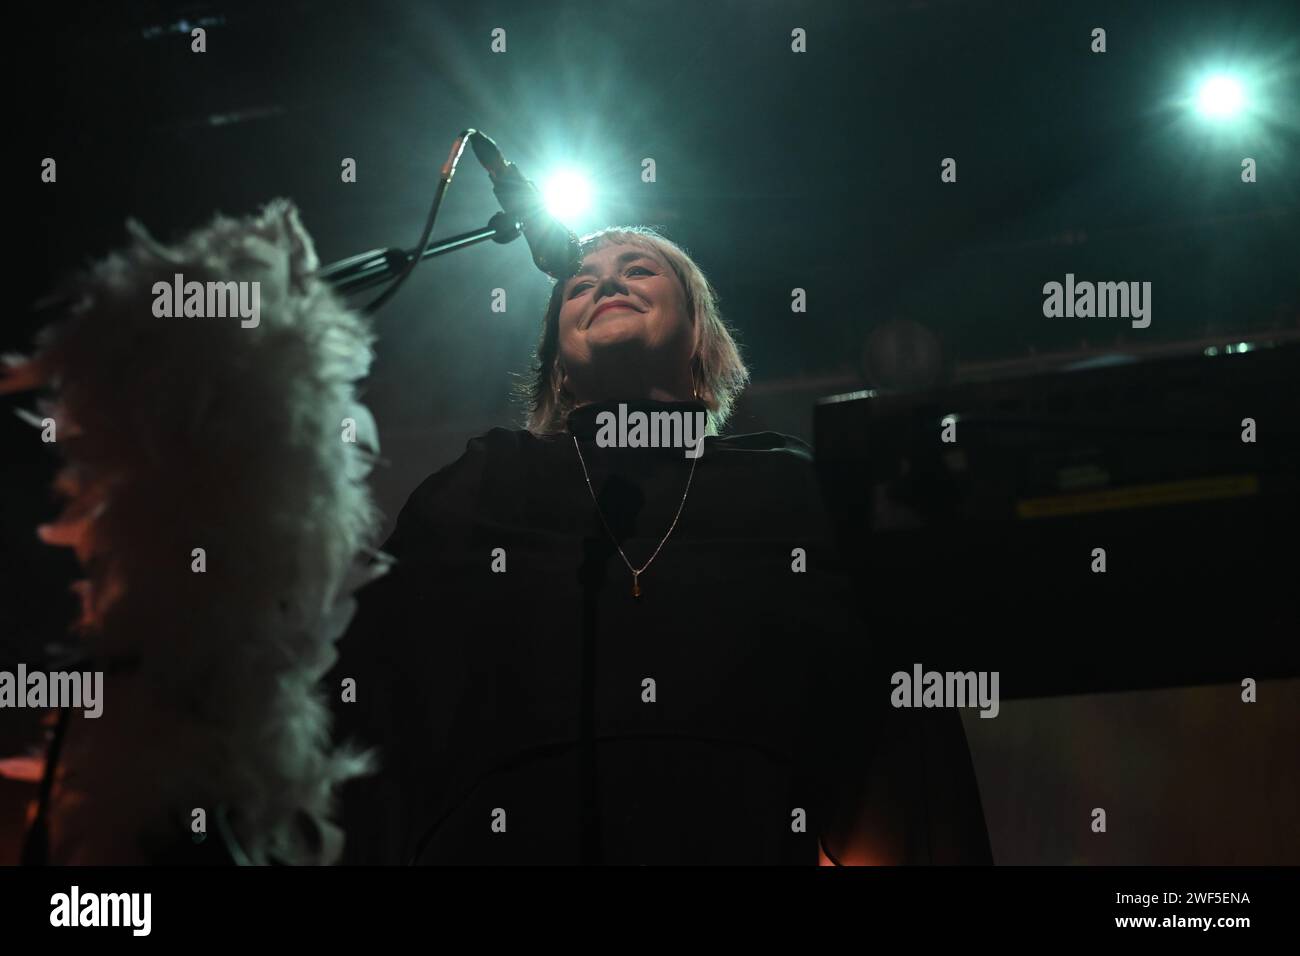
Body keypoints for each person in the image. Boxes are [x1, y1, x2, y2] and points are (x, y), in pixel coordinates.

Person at [328, 226, 992, 865]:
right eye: (579, 283)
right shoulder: (480, 485)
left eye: (639, 269)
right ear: (557, 371)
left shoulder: (790, 488)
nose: (606, 281)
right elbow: (359, 701)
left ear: (700, 337)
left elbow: (893, 721)